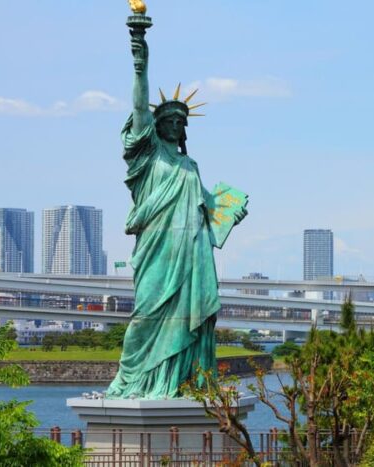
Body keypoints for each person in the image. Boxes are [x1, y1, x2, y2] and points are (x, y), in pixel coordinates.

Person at [106, 31, 245, 399]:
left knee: (193, 315)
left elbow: (207, 212)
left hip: (193, 253)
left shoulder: (190, 166)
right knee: (147, 313)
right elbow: (139, 109)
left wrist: (230, 213)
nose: (177, 124)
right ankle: (135, 380)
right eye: (170, 118)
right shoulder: (147, 157)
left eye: (182, 121)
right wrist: (140, 63)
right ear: (157, 125)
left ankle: (185, 380)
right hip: (158, 249)